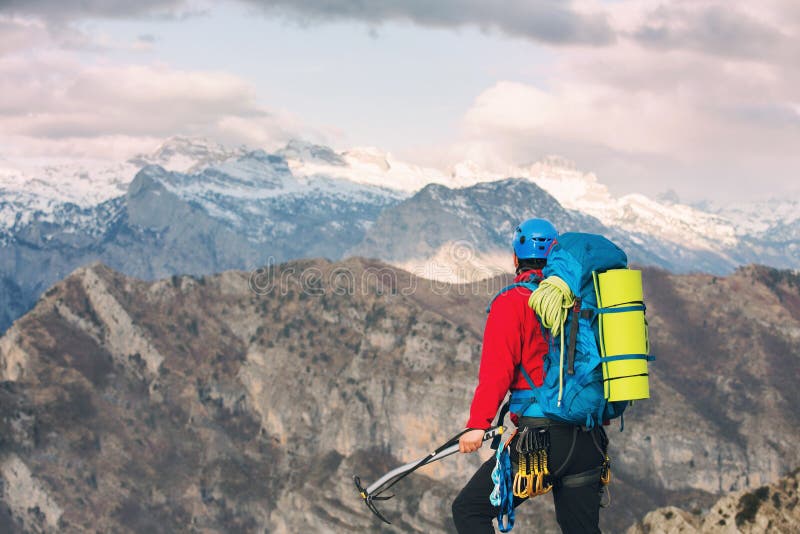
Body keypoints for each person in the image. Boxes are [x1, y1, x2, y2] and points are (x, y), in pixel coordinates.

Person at [451, 218, 607, 534]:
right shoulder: (579, 300)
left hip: (540, 442)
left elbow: (496, 372)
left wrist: (478, 424)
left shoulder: (512, 302)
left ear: (515, 258)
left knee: (469, 511)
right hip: (588, 439)